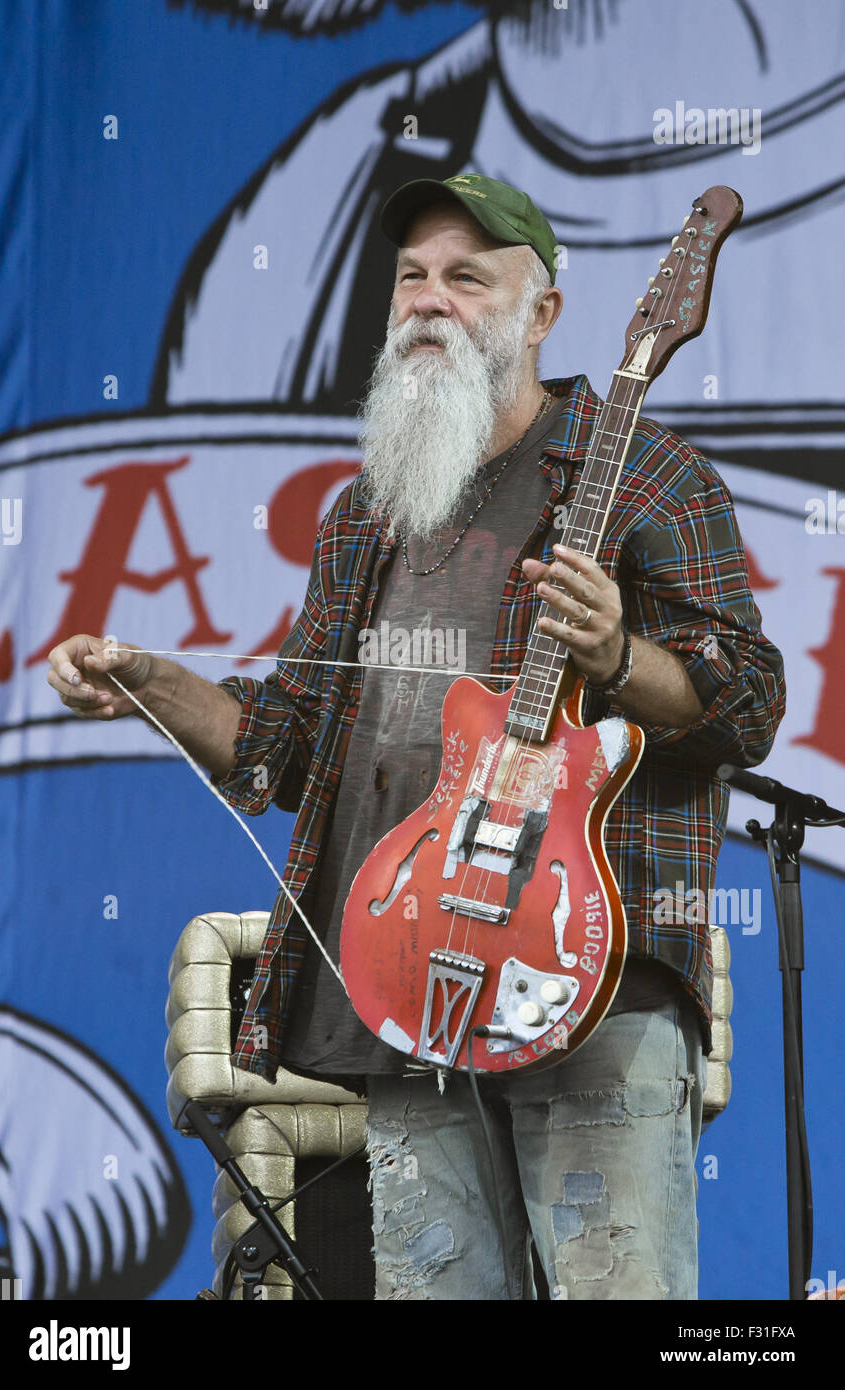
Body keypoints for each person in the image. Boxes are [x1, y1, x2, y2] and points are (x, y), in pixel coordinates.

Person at [47, 174, 786, 1301]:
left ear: (539, 314)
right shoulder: (370, 507)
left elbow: (748, 702)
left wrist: (617, 656)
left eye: (465, 278)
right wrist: (152, 681)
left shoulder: (645, 470)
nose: (428, 302)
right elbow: (285, 740)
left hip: (588, 979)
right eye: (410, 278)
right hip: (409, 989)